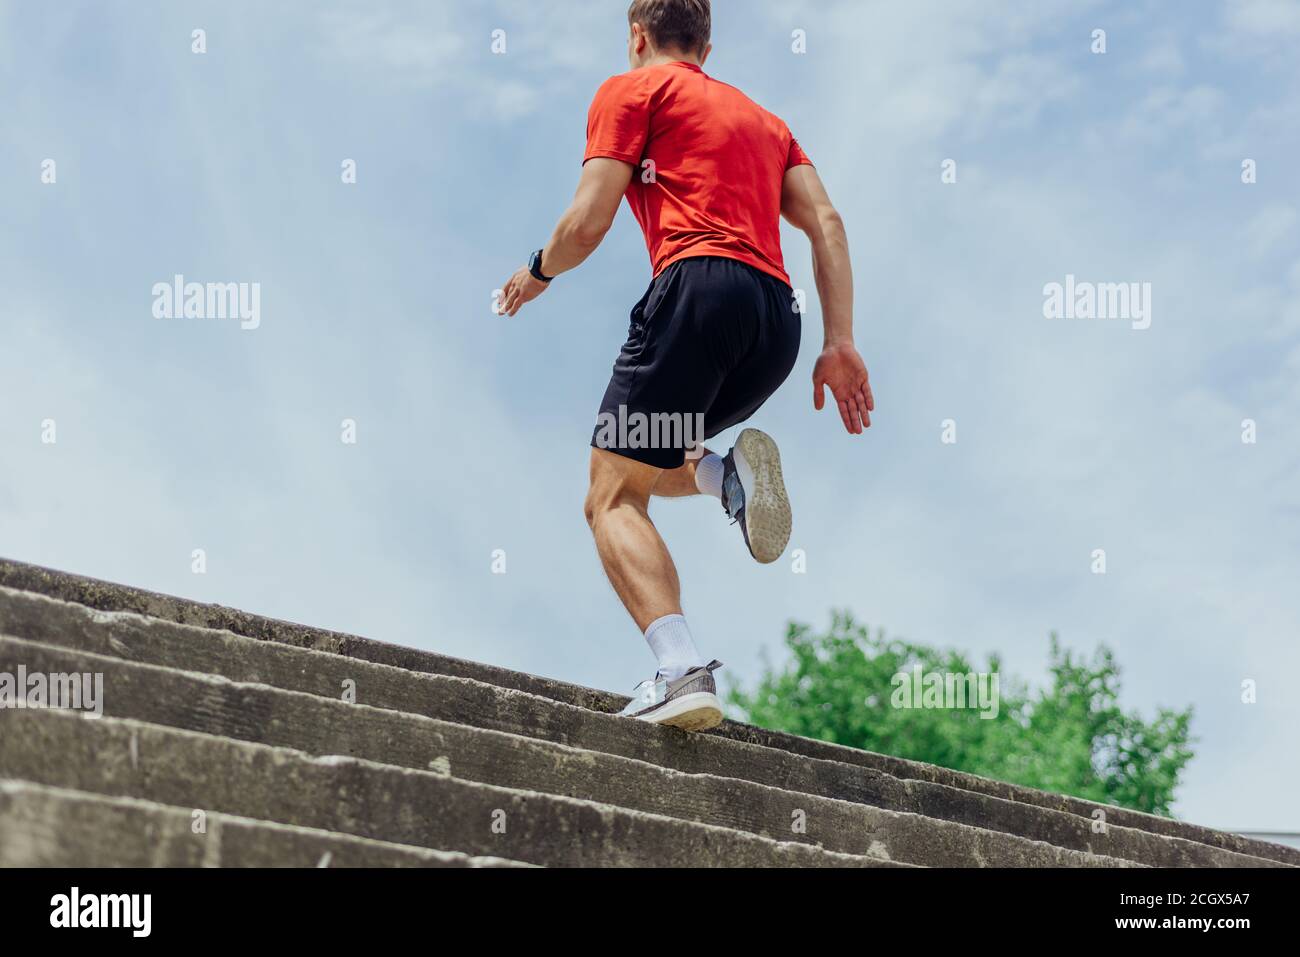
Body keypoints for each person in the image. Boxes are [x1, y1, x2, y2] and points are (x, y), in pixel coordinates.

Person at [497, 0, 873, 731]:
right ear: (707, 42)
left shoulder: (633, 89)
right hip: (776, 326)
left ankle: (679, 669)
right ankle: (722, 475)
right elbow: (826, 220)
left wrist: (538, 270)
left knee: (608, 495)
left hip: (699, 289)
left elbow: (588, 221)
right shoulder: (768, 123)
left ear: (639, 37)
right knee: (645, 453)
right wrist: (841, 341)